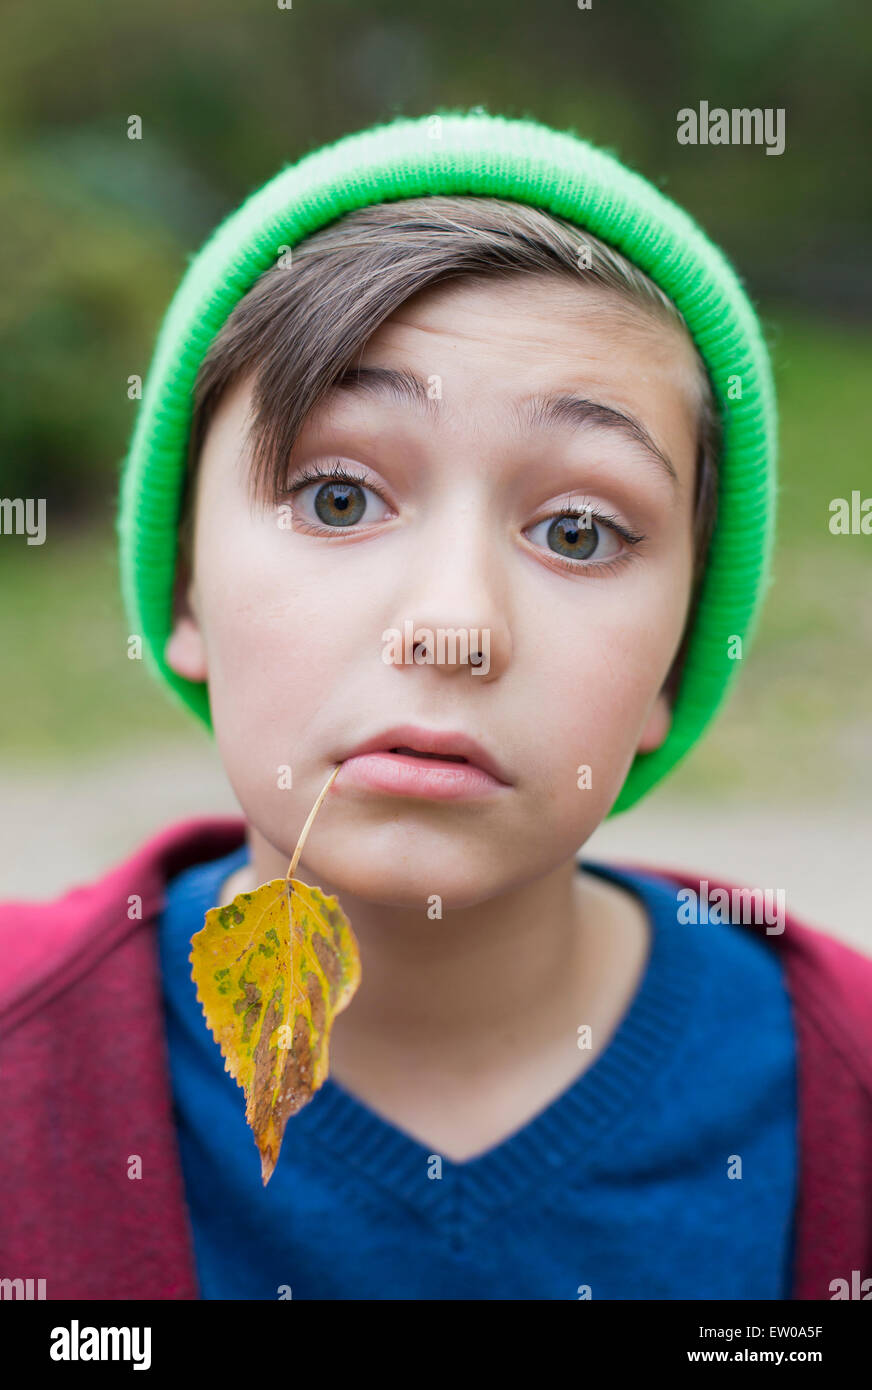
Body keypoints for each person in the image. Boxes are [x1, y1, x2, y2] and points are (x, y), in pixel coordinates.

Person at [2, 109, 870, 1301]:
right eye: (339, 499)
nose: (452, 626)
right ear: (187, 583)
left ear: (671, 666)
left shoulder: (839, 1091)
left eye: (577, 531)